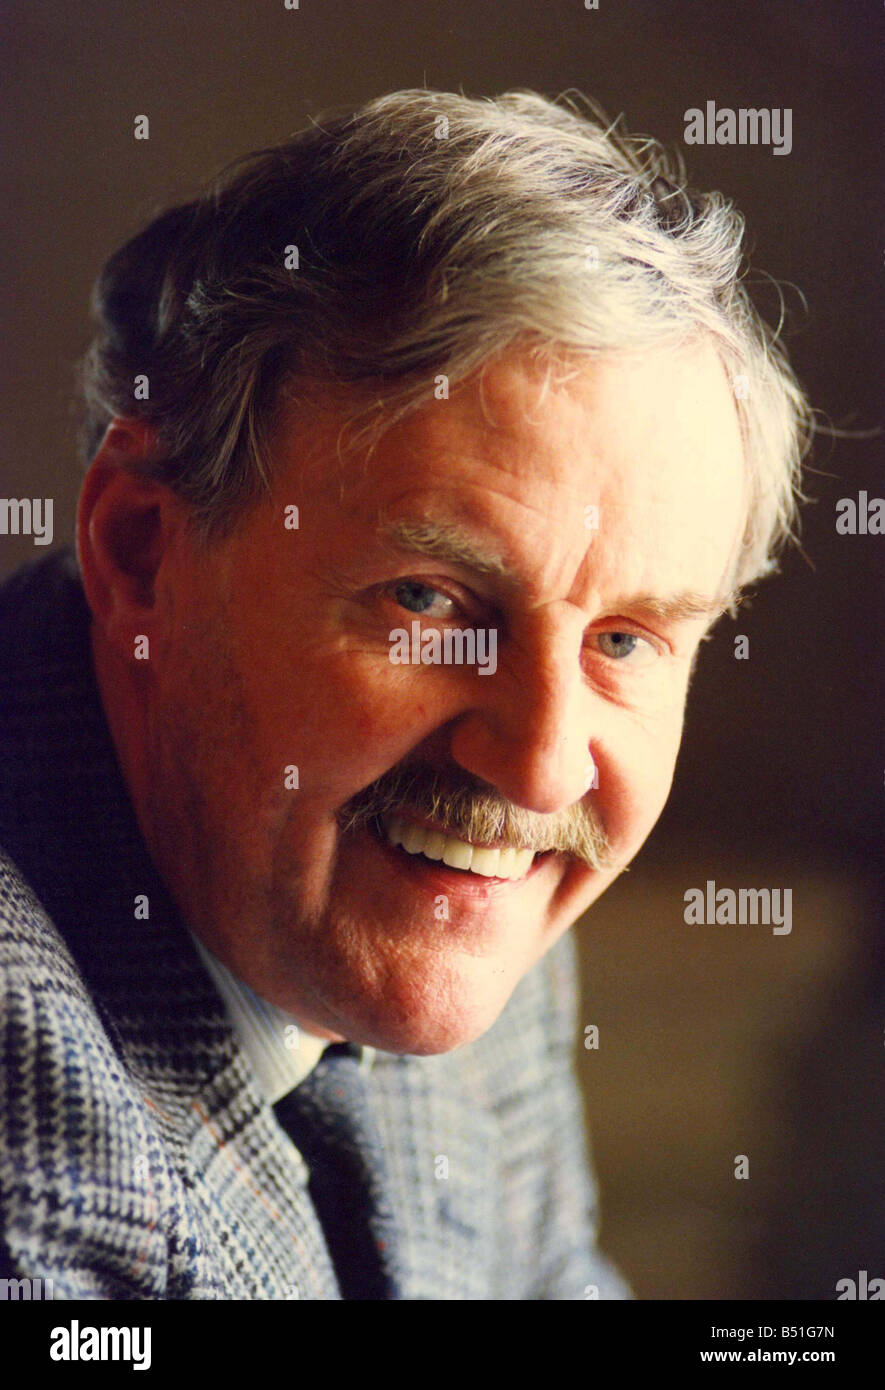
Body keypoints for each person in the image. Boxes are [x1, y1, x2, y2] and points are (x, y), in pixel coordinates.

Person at [0, 88, 809, 1300]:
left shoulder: (438, 884)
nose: (542, 765)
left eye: (628, 641)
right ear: (141, 549)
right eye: (431, 603)